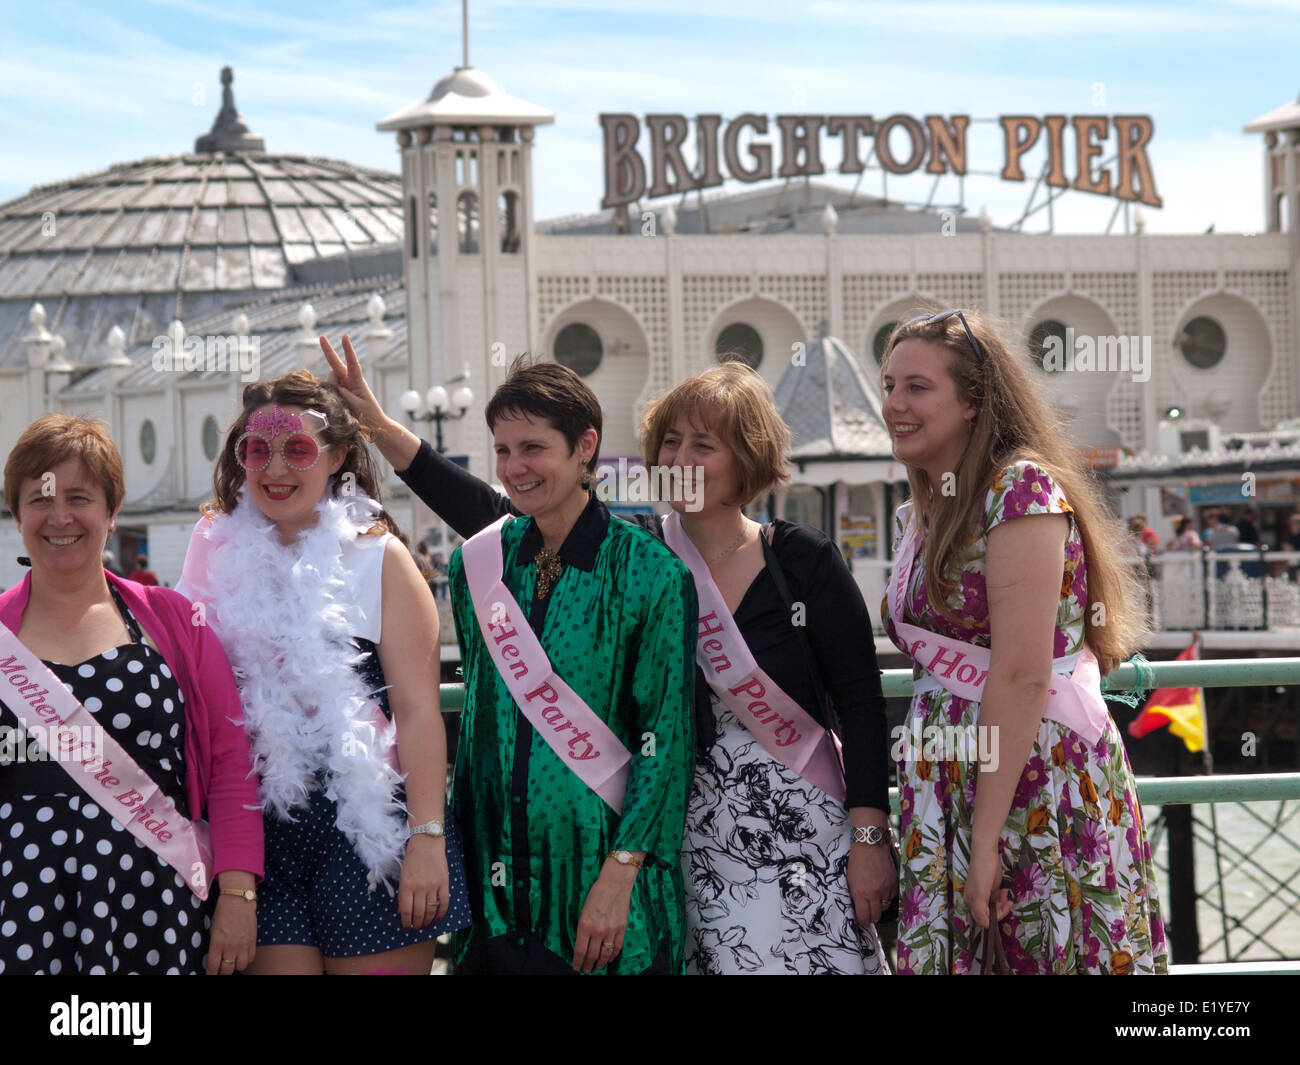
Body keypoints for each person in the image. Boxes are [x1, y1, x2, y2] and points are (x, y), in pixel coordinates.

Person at [324, 336, 894, 975]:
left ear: (748, 457)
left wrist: (870, 835)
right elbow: (499, 509)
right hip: (677, 831)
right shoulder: (646, 547)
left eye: (703, 445)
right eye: (670, 442)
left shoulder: (800, 561)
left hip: (794, 824)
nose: (681, 457)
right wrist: (375, 424)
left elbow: (861, 702)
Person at [324, 338, 697, 974]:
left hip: (600, 887)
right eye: (502, 450)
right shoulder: (482, 563)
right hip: (492, 881)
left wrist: (622, 871)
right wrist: (377, 425)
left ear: (584, 448)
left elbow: (668, 739)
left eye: (533, 449)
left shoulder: (650, 573)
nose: (515, 467)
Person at [879, 309, 1167, 975]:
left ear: (974, 400)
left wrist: (982, 844)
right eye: (889, 383)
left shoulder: (1021, 488)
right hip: (949, 781)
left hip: (1030, 785)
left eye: (917, 387)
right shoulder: (933, 503)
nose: (895, 402)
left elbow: (1020, 676)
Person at [176, 372, 471, 975]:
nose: (275, 467)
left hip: (369, 833)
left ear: (337, 456)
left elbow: (417, 710)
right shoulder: (212, 550)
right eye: (257, 450)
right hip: (257, 834)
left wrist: (426, 837)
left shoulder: (379, 558)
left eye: (298, 449)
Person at [0, 414, 262, 975]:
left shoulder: (175, 621)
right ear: (17, 512)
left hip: (157, 897)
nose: (60, 516)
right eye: (40, 499)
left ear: (112, 512)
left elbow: (229, 762)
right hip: (21, 899)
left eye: (79, 497)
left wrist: (238, 896)